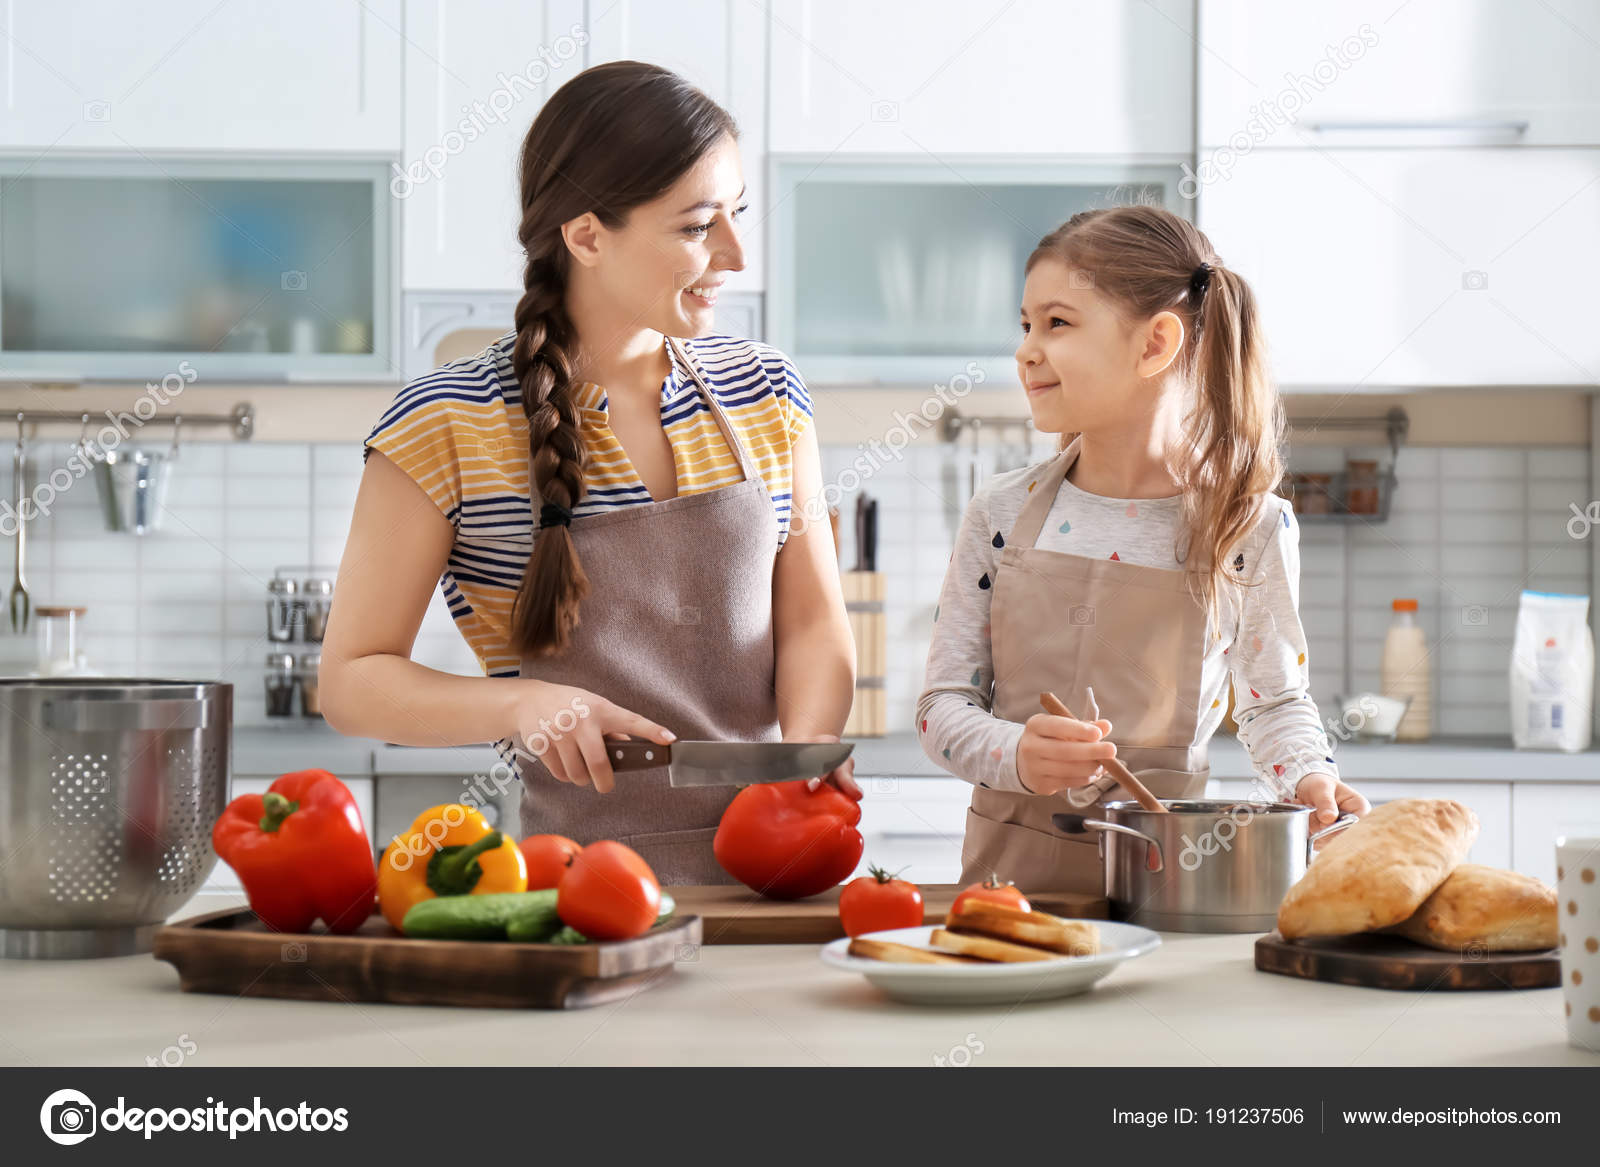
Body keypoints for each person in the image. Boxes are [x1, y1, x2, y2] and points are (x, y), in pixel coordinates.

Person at [322, 62, 857, 884]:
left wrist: (800, 766)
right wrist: (520, 705)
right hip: (578, 890)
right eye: (696, 227)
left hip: (779, 876)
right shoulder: (444, 423)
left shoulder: (768, 394)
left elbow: (816, 624)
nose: (736, 254)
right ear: (585, 235)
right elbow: (352, 681)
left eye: (737, 215)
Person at [918, 204, 1370, 891]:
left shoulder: (1247, 526)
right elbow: (942, 705)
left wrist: (1310, 777)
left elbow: (1272, 701)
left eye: (1057, 323)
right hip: (1008, 893)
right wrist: (1017, 752)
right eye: (1025, 325)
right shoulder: (1000, 513)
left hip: (1163, 891)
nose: (1025, 349)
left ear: (1155, 344)